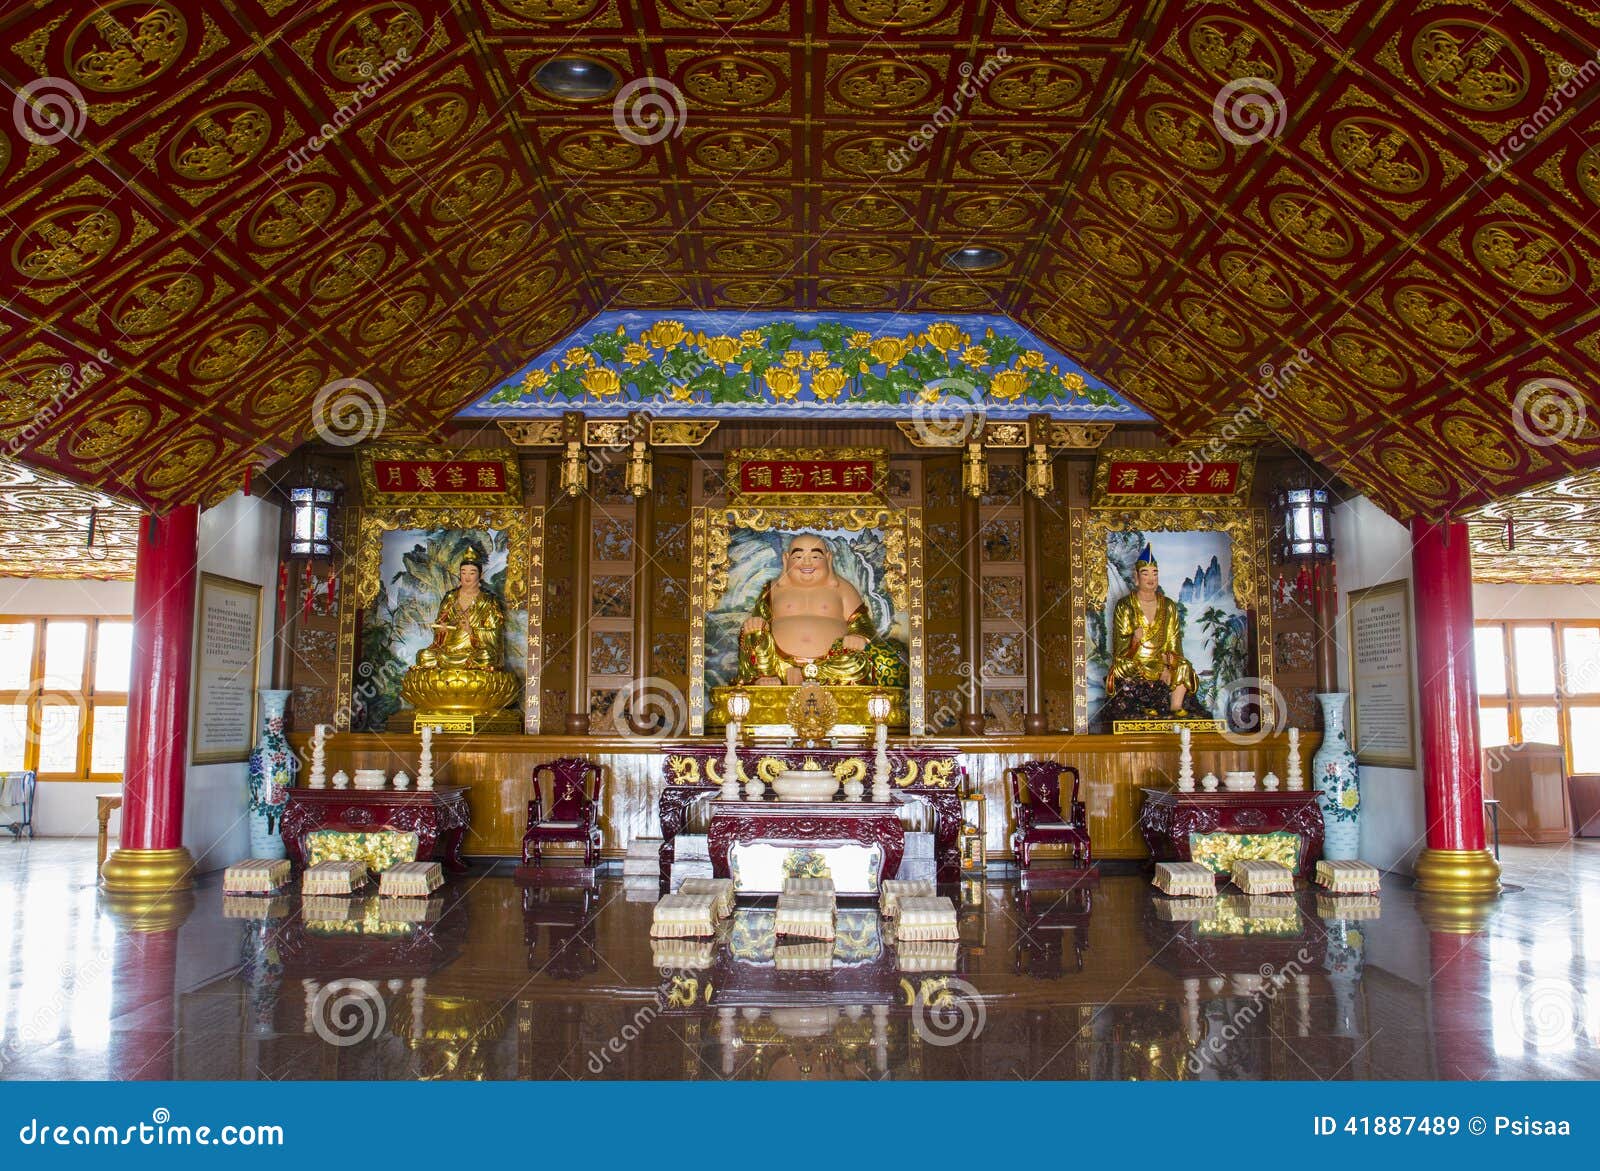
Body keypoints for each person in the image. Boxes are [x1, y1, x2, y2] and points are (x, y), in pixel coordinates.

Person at [738, 533, 905, 687]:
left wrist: (859, 637)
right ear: (786, 559)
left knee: (857, 662)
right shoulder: (773, 588)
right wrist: (756, 623)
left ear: (828, 558)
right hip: (779, 666)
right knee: (753, 632)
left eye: (815, 556)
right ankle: (765, 676)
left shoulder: (843, 588)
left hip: (833, 665)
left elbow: (863, 626)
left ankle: (809, 675)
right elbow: (759, 622)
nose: (807, 562)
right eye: (798, 556)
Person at [1106, 543, 1198, 716]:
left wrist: (1167, 664)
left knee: (1184, 666)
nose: (1151, 578)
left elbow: (1174, 643)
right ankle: (1143, 705)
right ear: (1136, 577)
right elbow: (1120, 650)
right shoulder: (1125, 606)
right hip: (1136, 662)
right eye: (1145, 573)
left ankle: (1175, 708)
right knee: (1122, 667)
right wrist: (1134, 641)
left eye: (1155, 573)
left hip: (1161, 660)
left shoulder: (1169, 606)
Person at [414, 546, 505, 670]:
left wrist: (471, 631)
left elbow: (495, 633)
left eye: (472, 573)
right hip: (448, 650)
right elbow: (440, 624)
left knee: (486, 657)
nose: (467, 577)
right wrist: (441, 631)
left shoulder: (488, 601)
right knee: (424, 656)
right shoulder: (450, 598)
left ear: (480, 575)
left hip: (473, 651)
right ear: (460, 574)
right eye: (463, 572)